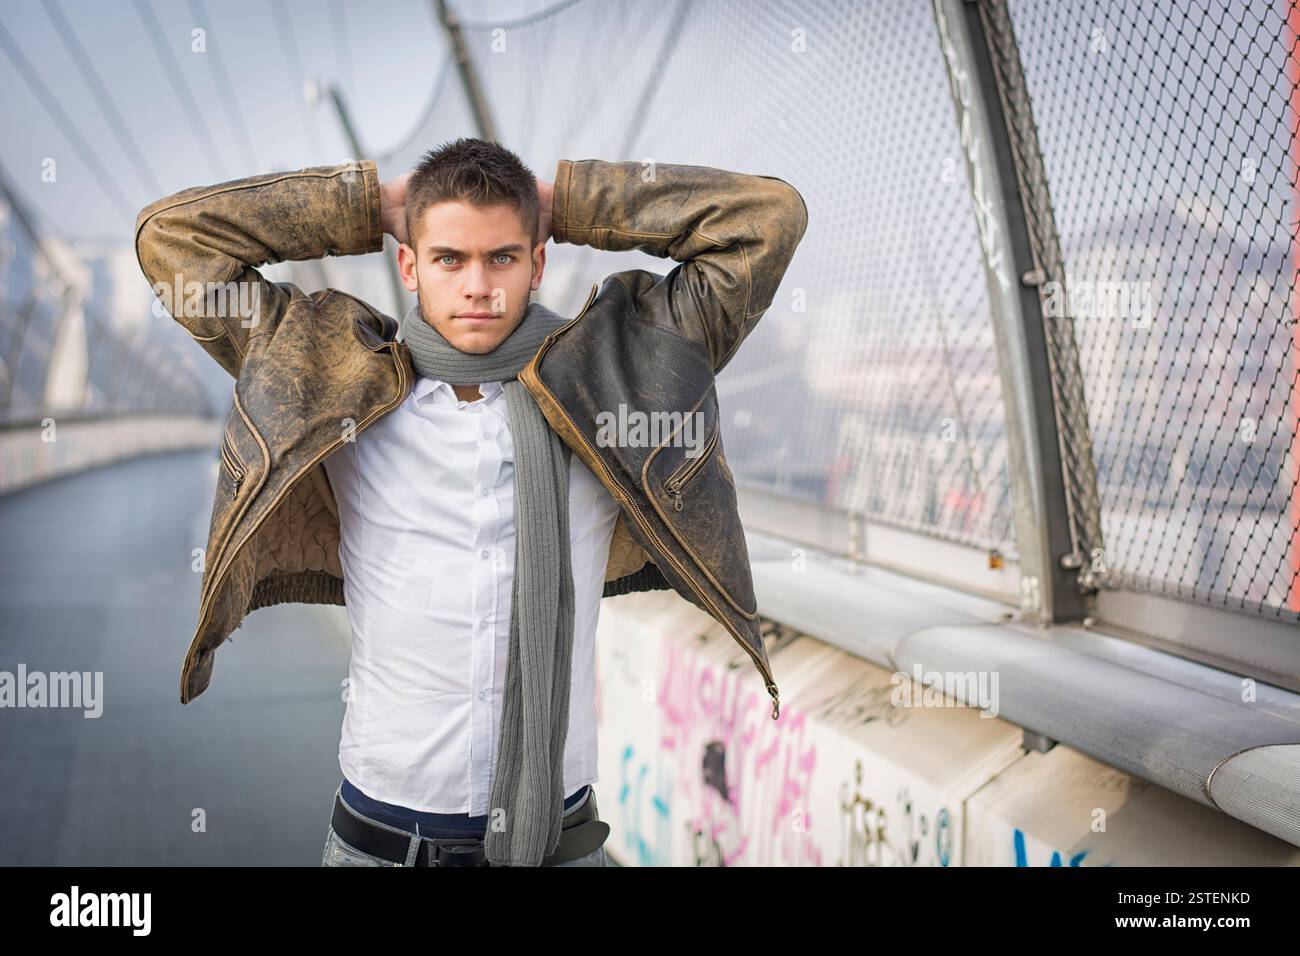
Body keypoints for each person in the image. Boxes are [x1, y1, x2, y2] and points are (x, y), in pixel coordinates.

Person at [134, 136, 807, 867]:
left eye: (503, 257)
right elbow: (173, 242)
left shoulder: (614, 382)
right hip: (381, 844)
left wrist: (570, 202)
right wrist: (368, 205)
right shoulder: (332, 379)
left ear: (537, 262)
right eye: (450, 258)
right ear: (409, 264)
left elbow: (766, 220)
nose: (477, 285)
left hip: (561, 839)